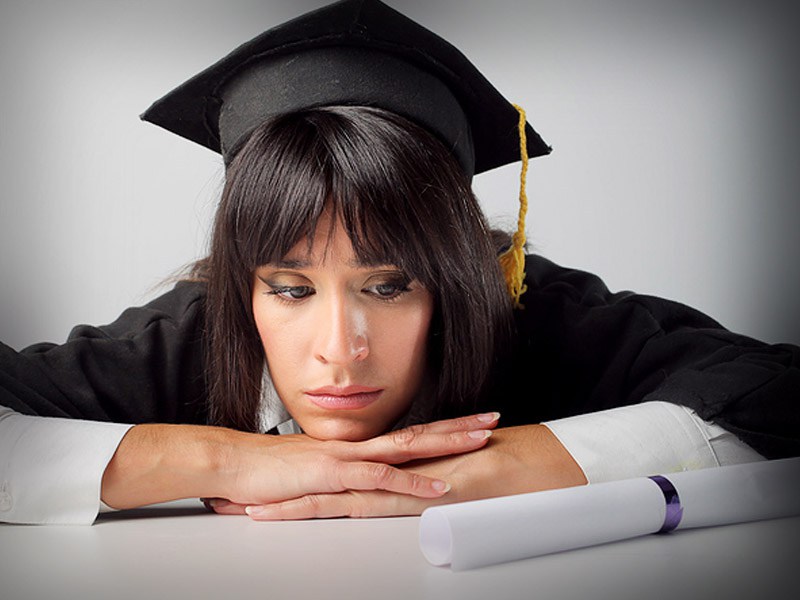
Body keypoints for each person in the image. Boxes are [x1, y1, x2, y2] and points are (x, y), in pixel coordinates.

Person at [1, 0, 797, 525]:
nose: (339, 349)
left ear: (459, 273)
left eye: (387, 286)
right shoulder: (190, 337)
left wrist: (486, 471)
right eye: (290, 289)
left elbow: (776, 394)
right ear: (242, 282)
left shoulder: (540, 317)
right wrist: (228, 460)